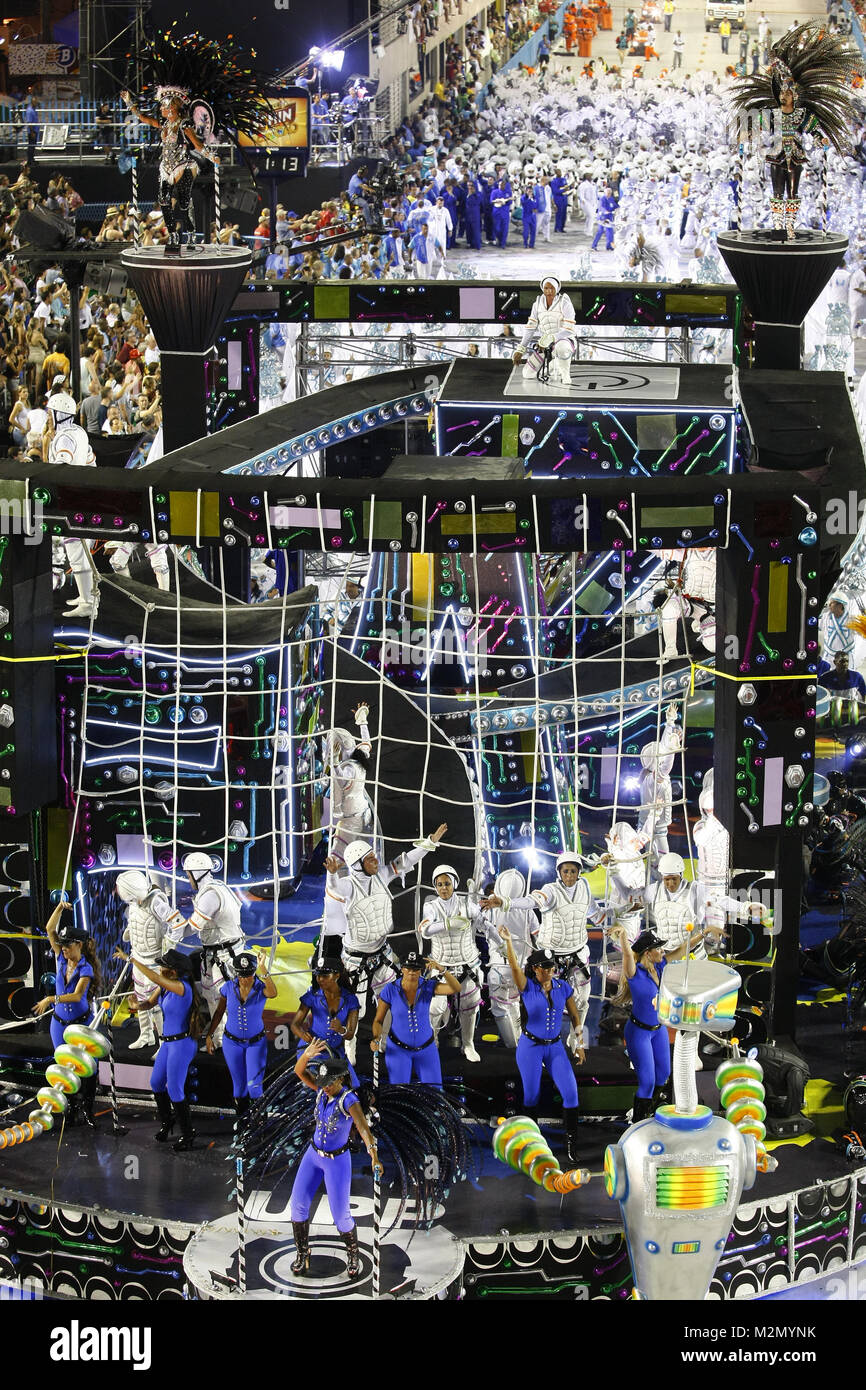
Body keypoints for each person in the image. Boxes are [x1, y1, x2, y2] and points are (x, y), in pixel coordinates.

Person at [324, 822, 447, 1062]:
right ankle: (350, 1052)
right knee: (354, 1009)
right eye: (369, 859)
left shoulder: (381, 875)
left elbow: (405, 862)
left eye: (373, 857)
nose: (375, 861)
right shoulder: (348, 885)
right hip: (354, 958)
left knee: (392, 997)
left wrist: (430, 841)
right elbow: (334, 886)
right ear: (358, 865)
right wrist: (331, 873)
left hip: (381, 952)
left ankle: (384, 1041)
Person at [482, 850, 604, 1055]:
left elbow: (597, 915)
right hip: (547, 959)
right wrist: (505, 903)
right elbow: (531, 901)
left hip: (576, 954)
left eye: (573, 871)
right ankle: (528, 1044)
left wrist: (622, 911)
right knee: (539, 1004)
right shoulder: (549, 891)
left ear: (579, 872)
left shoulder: (584, 888)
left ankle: (575, 1041)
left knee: (582, 1000)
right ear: (559, 872)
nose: (569, 875)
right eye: (566, 871)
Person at [289, 1042, 382, 1279]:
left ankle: (352, 1253)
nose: (325, 1088)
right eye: (323, 1084)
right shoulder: (322, 1091)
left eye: (330, 1083)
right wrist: (306, 1056)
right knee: (298, 1206)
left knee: (341, 1215)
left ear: (341, 1079)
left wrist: (374, 1156)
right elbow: (299, 1072)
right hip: (313, 1156)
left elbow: (362, 1128)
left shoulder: (348, 1100)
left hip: (337, 1161)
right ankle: (302, 1252)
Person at [499, 932, 583, 1163]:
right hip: (531, 1047)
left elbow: (575, 1015)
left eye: (552, 967)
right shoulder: (527, 987)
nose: (549, 972)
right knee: (531, 1095)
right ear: (535, 969)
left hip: (555, 1046)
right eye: (544, 968)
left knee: (571, 1093)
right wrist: (508, 941)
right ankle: (532, 1144)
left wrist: (579, 1042)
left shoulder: (562, 987)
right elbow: (515, 968)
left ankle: (570, 1144)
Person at [116, 945, 203, 1150]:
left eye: (163, 967)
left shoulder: (182, 987)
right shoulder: (165, 986)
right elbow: (149, 1003)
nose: (159, 970)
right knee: (156, 1083)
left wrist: (131, 960)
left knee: (174, 1088)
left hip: (181, 1044)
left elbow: (155, 978)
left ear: (173, 971)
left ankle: (188, 1134)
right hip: (168, 1043)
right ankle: (167, 1121)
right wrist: (137, 1006)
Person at [32, 900, 102, 1125]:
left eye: (67, 945)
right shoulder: (61, 959)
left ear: (79, 945)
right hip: (59, 1023)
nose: (63, 948)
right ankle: (69, 1109)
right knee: (63, 1066)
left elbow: (77, 996)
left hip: (81, 1026)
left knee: (88, 1070)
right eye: (61, 945)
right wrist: (60, 908)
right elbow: (50, 929)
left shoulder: (86, 968)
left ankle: (87, 1109)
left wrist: (51, 998)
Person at [120, 86, 215, 249]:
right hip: (166, 167)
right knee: (164, 200)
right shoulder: (164, 124)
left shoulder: (184, 125)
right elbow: (143, 118)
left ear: (172, 107)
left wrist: (213, 157)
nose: (161, 109)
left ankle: (191, 234)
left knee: (184, 202)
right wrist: (129, 101)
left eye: (164, 106)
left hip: (183, 166)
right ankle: (172, 234)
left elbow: (197, 145)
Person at [168, 852, 246, 1047]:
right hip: (214, 953)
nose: (188, 879)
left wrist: (174, 931)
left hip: (224, 954)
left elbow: (193, 926)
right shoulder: (217, 887)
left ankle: (231, 1039)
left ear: (197, 873)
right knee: (211, 996)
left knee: (224, 998)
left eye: (188, 875)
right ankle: (218, 1038)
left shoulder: (210, 895)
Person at [419, 863, 486, 1062]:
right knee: (435, 1008)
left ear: (454, 883)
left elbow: (484, 925)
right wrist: (447, 923)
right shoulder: (430, 906)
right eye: (439, 884)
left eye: (447, 883)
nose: (443, 888)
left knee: (470, 1006)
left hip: (467, 964)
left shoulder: (467, 905)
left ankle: (468, 1044)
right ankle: (432, 1042)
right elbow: (424, 930)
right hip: (441, 966)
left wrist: (500, 942)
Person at [115, 869, 184, 1050]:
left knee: (156, 1004)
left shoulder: (155, 902)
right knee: (139, 997)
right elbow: (133, 922)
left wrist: (169, 947)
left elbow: (177, 923)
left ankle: (163, 1042)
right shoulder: (133, 904)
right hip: (138, 957)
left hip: (155, 961)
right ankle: (145, 1035)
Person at [206, 950, 277, 1121]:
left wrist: (262, 968)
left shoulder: (261, 987)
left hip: (255, 1043)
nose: (245, 979)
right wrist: (209, 1035)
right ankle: (244, 1125)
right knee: (239, 1088)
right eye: (241, 975)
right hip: (232, 1043)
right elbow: (219, 1011)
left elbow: (273, 993)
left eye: (249, 974)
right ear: (236, 973)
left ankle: (261, 1126)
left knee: (254, 1087)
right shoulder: (228, 987)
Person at [46, 390, 97, 617]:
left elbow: (61, 467)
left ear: (59, 414)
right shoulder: (79, 431)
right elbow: (91, 462)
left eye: (51, 412)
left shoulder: (64, 437)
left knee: (77, 552)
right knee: (81, 552)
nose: (49, 416)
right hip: (84, 498)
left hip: (71, 501)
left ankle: (87, 604)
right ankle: (88, 596)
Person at [372, 951, 460, 1083]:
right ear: (402, 969)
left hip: (427, 1049)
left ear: (421, 971)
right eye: (408, 968)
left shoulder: (428, 986)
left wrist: (442, 970)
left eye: (416, 969)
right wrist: (376, 1038)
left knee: (435, 1091)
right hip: (398, 1050)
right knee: (399, 1092)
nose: (411, 972)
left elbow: (455, 988)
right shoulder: (390, 989)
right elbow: (378, 1020)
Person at [615, 927, 670, 1121]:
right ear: (648, 952)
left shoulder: (661, 966)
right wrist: (623, 939)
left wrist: (702, 934)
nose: (663, 952)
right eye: (659, 948)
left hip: (659, 1030)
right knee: (647, 1082)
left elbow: (681, 951)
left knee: (663, 1075)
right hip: (639, 1033)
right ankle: (638, 1123)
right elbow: (628, 957)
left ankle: (647, 1113)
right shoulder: (635, 973)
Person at [483, 867, 540, 1047]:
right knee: (514, 1003)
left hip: (499, 966)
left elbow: (478, 924)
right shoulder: (527, 910)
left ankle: (513, 1046)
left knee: (500, 1009)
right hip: (522, 967)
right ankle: (519, 1042)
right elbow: (538, 935)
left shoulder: (491, 910)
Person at [292, 962, 361, 1087]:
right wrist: (304, 1035)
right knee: (321, 1083)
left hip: (335, 1052)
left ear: (337, 976)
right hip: (313, 1050)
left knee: (354, 1086)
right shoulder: (312, 996)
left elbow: (350, 1035)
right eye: (318, 976)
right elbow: (295, 1025)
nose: (320, 979)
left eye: (325, 976)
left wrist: (341, 1029)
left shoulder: (351, 1000)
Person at [512, 276, 577, 387]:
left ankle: (565, 374)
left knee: (562, 348)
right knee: (527, 374)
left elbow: (568, 329)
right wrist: (521, 349)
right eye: (546, 288)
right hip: (544, 345)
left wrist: (551, 338)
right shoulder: (537, 304)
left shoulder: (565, 303)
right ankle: (553, 364)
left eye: (552, 288)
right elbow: (530, 328)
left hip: (565, 340)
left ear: (557, 289)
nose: (549, 291)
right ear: (543, 288)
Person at [637, 704, 682, 862]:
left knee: (654, 860)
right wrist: (672, 750)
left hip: (652, 826)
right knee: (663, 861)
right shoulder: (654, 778)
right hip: (654, 829)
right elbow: (666, 763)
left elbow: (663, 748)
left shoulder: (649, 775)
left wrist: (670, 722)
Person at [645, 852, 707, 962]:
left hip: (693, 956)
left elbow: (719, 900)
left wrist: (744, 907)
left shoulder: (694, 890)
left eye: (674, 879)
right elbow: (629, 895)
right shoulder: (654, 890)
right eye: (667, 879)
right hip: (666, 956)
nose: (671, 883)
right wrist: (614, 872)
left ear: (681, 875)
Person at [591, 184, 617, 252]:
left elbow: (615, 205)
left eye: (610, 193)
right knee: (600, 231)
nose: (609, 194)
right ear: (605, 193)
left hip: (609, 217)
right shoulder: (602, 199)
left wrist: (618, 208)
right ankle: (594, 246)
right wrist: (605, 211)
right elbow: (601, 207)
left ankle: (609, 246)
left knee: (610, 232)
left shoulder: (611, 199)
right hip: (602, 218)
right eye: (608, 193)